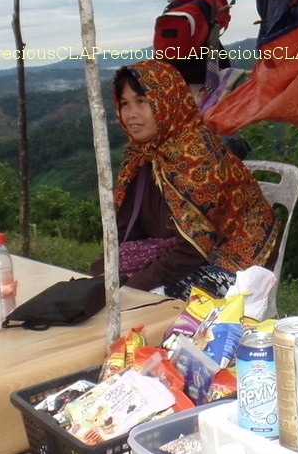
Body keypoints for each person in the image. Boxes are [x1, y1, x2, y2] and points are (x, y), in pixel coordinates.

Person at [98, 59, 276, 300]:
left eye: (142, 101)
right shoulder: (140, 155)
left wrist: (135, 283)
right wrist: (108, 270)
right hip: (175, 255)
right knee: (103, 284)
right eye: (124, 104)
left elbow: (196, 246)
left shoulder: (198, 154)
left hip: (231, 260)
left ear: (167, 100)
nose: (131, 114)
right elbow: (126, 228)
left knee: (149, 299)